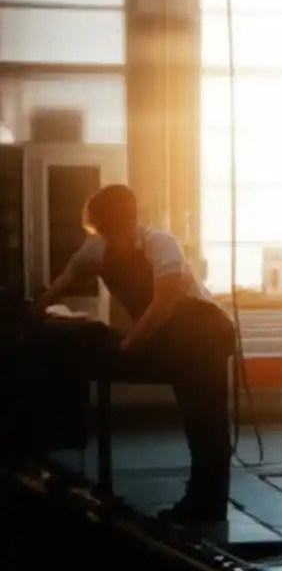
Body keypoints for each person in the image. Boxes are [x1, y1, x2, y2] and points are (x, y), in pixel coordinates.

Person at [35, 184, 236, 525]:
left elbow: (163, 304)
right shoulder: (97, 250)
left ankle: (208, 506)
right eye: (103, 230)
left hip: (204, 332)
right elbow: (65, 281)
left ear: (128, 220)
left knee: (205, 420)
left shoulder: (160, 244)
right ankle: (200, 499)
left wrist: (129, 346)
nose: (109, 236)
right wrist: (35, 311)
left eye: (113, 228)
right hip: (171, 334)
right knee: (195, 419)